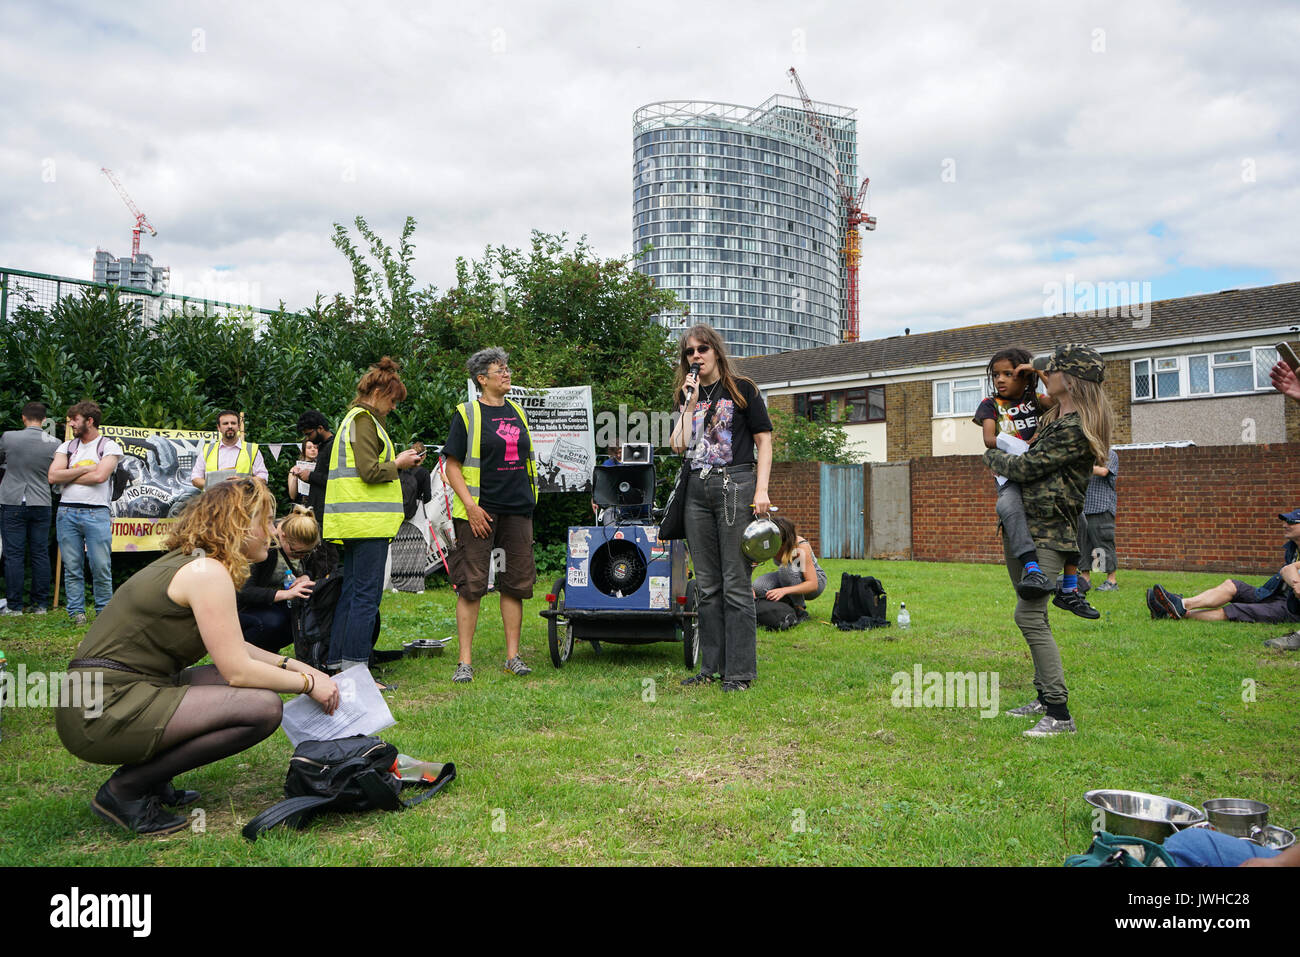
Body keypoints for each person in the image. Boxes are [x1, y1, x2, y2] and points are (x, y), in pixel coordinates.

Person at [55, 478, 339, 835]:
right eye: (265, 521)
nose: (272, 530)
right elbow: (238, 670)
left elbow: (235, 647)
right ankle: (125, 790)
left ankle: (154, 781)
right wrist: (309, 684)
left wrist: (299, 666)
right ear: (238, 523)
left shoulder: (197, 562)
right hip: (98, 710)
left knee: (233, 689)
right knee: (260, 709)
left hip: (104, 693)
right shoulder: (207, 572)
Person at [982, 344, 1113, 736]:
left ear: (1069, 379)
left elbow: (1026, 467)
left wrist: (989, 458)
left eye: (1053, 370)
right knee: (1034, 614)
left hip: (1050, 533)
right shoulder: (1058, 414)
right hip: (1028, 527)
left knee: (1028, 615)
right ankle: (1044, 695)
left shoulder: (1075, 427)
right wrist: (1037, 366)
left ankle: (1059, 714)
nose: (1044, 373)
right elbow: (1042, 374)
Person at [669, 324, 773, 692]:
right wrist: (690, 403)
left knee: (736, 584)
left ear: (716, 351)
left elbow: (764, 441)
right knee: (708, 586)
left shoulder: (743, 389)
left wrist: (761, 490)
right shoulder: (686, 395)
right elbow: (678, 445)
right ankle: (710, 667)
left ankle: (739, 672)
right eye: (689, 352)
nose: (695, 356)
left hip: (735, 485)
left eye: (702, 349)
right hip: (697, 489)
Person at [973, 347, 1099, 620]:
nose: (1001, 380)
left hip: (1034, 472)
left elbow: (1061, 400)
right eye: (996, 375)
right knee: (1008, 508)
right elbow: (988, 439)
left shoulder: (1037, 399)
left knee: (1078, 517)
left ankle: (1070, 586)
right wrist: (1022, 446)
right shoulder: (990, 404)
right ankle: (1031, 567)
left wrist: (1034, 370)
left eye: (1009, 374)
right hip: (1009, 474)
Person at [443, 348, 538, 682]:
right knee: (472, 583)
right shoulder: (467, 413)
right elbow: (450, 466)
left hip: (517, 509)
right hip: (479, 512)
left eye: (508, 368)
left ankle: (513, 657)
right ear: (482, 379)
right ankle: (464, 662)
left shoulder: (517, 412)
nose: (507, 374)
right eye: (500, 370)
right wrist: (471, 507)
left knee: (515, 583)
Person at [322, 357, 421, 674]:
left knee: (351, 595)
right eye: (393, 401)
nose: (393, 408)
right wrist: (401, 463)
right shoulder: (364, 421)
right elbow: (369, 471)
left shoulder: (355, 419)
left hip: (354, 524)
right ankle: (356, 671)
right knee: (365, 599)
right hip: (367, 525)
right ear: (379, 393)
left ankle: (338, 664)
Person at [1148, 508, 1300, 638]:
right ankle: (1180, 604)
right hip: (1272, 593)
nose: (1285, 525)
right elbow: (1287, 571)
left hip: (1291, 608)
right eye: (1285, 521)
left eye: (1291, 522)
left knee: (1236, 610)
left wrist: (1295, 584)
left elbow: (1288, 570)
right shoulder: (1292, 548)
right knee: (1232, 585)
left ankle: (1172, 613)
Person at [48, 401, 122, 626]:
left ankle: (103, 615)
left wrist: (68, 474)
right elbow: (52, 477)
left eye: (74, 420)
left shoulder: (110, 446)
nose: (70, 424)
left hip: (96, 512)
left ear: (89, 421)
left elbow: (100, 477)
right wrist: (87, 468)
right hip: (66, 511)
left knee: (100, 565)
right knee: (72, 566)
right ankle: (76, 615)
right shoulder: (67, 447)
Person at [1, 401, 60, 616]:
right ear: (44, 420)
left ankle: (15, 607)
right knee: (40, 554)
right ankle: (40, 605)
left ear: (23, 418)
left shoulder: (9, 437)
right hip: (42, 501)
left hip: (13, 500)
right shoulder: (55, 442)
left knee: (14, 555)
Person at [236, 504, 320, 652]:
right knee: (275, 621)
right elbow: (244, 592)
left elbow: (323, 566)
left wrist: (307, 575)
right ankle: (251, 655)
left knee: (302, 618)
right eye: (296, 552)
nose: (300, 557)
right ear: (283, 536)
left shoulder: (306, 542)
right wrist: (286, 594)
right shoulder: (264, 544)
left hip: (280, 605)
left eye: (306, 553)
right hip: (248, 608)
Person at [752, 515, 826, 619]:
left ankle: (800, 610)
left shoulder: (800, 547)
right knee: (759, 586)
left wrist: (783, 590)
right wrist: (748, 587)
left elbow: (812, 584)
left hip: (815, 582)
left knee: (785, 568)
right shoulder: (770, 544)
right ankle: (787, 608)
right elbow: (752, 564)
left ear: (784, 540)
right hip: (788, 577)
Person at [1077, 447, 1120, 591]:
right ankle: (1085, 579)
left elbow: (1103, 471)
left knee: (1104, 543)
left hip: (1102, 506)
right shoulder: (1085, 454)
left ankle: (1111, 581)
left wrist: (1079, 464)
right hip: (1084, 507)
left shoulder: (1110, 454)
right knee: (1084, 544)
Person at [191, 410, 267, 489]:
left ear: (238, 426)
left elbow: (263, 477)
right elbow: (195, 478)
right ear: (219, 428)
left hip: (243, 499)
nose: (230, 426)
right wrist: (215, 486)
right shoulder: (207, 450)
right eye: (225, 423)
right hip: (214, 499)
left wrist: (244, 482)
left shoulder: (252, 450)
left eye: (233, 423)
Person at [292, 410, 334, 529]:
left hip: (327, 514)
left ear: (320, 428)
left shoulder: (334, 447)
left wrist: (310, 476)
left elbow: (336, 480)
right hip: (317, 512)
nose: (308, 438)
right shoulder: (323, 446)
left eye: (309, 434)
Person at [286, 439, 318, 507]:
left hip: (317, 504)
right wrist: (295, 477)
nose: (313, 449)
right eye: (309, 447)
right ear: (303, 450)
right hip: (301, 506)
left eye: (315, 447)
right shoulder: (295, 468)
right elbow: (292, 496)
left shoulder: (322, 467)